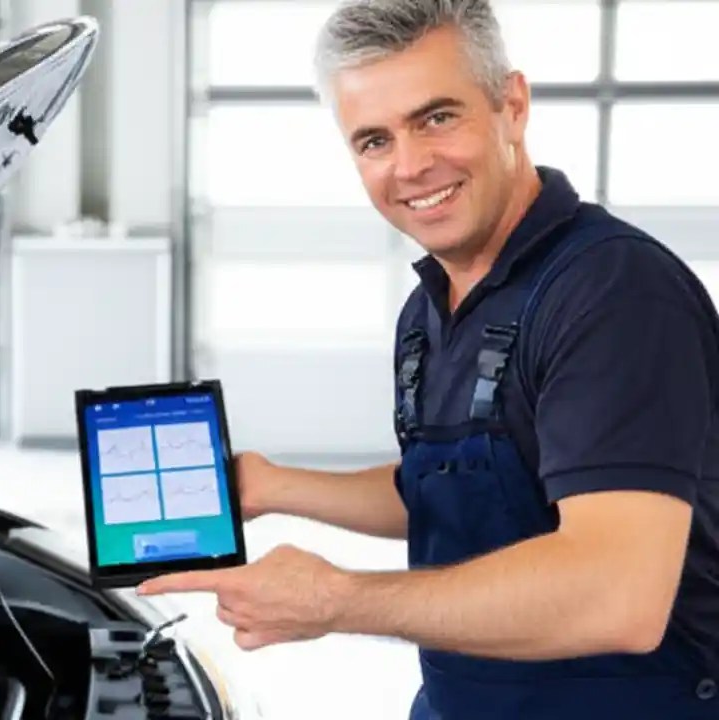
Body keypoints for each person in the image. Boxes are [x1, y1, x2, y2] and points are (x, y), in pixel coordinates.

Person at [136, 1, 719, 718]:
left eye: (436, 118)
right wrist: (268, 485)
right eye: (374, 141)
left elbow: (616, 594)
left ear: (512, 105)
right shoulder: (432, 308)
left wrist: (338, 600)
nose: (410, 166)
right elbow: (452, 488)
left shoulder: (613, 294)